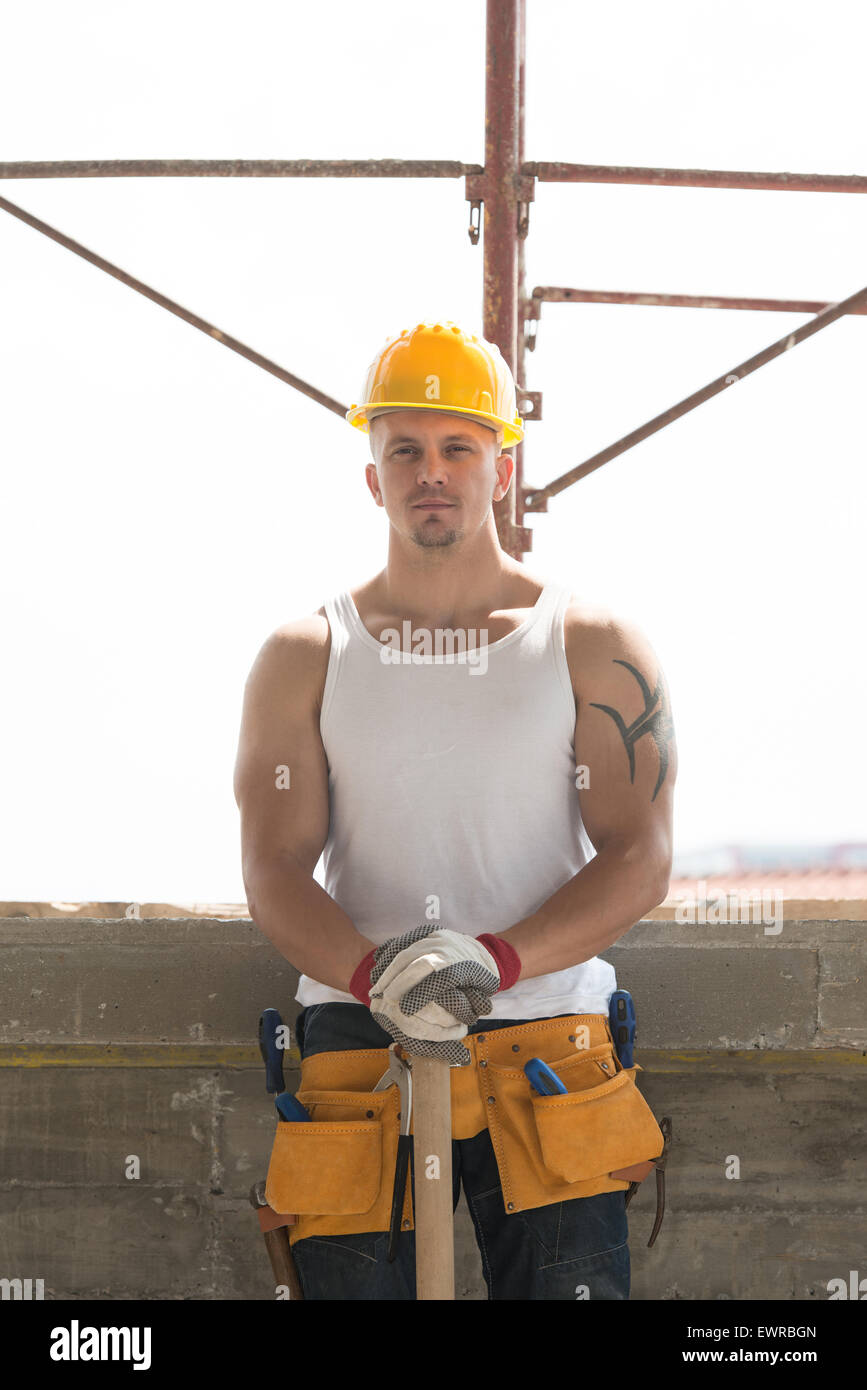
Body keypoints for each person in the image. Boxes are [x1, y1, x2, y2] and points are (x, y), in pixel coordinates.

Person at [233, 319, 677, 1300]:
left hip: (546, 1051)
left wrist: (498, 959)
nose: (431, 471)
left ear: (502, 466)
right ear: (372, 474)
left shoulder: (591, 643)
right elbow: (273, 863)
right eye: (405, 449)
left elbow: (640, 851)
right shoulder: (305, 655)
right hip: (361, 1050)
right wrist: (374, 974)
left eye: (457, 447)